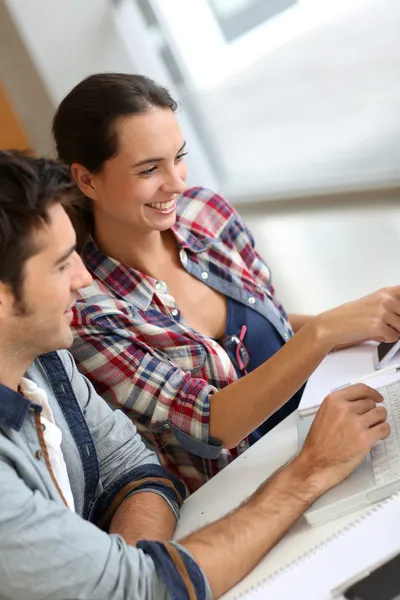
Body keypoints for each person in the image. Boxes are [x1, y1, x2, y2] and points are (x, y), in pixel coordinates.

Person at [0, 149, 392, 600]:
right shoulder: (87, 324)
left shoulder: (46, 361)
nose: (83, 278)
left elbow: (131, 468)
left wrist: (136, 567)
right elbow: (143, 589)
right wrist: (311, 470)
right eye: (61, 263)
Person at [52, 73, 400, 494]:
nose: (177, 183)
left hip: (338, 426)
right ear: (87, 180)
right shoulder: (86, 311)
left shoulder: (205, 212)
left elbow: (272, 326)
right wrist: (327, 330)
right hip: (262, 491)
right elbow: (209, 424)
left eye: (178, 157)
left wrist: (368, 321)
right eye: (149, 169)